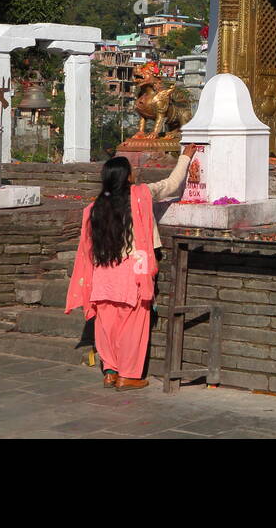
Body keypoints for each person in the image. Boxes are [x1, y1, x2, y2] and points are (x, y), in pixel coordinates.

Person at [65, 151, 191, 389]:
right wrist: (186, 156)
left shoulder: (94, 208)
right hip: (134, 270)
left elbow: (88, 248)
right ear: (127, 176)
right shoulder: (141, 194)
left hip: (102, 274)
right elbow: (171, 186)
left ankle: (110, 371)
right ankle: (128, 375)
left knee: (106, 327)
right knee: (133, 326)